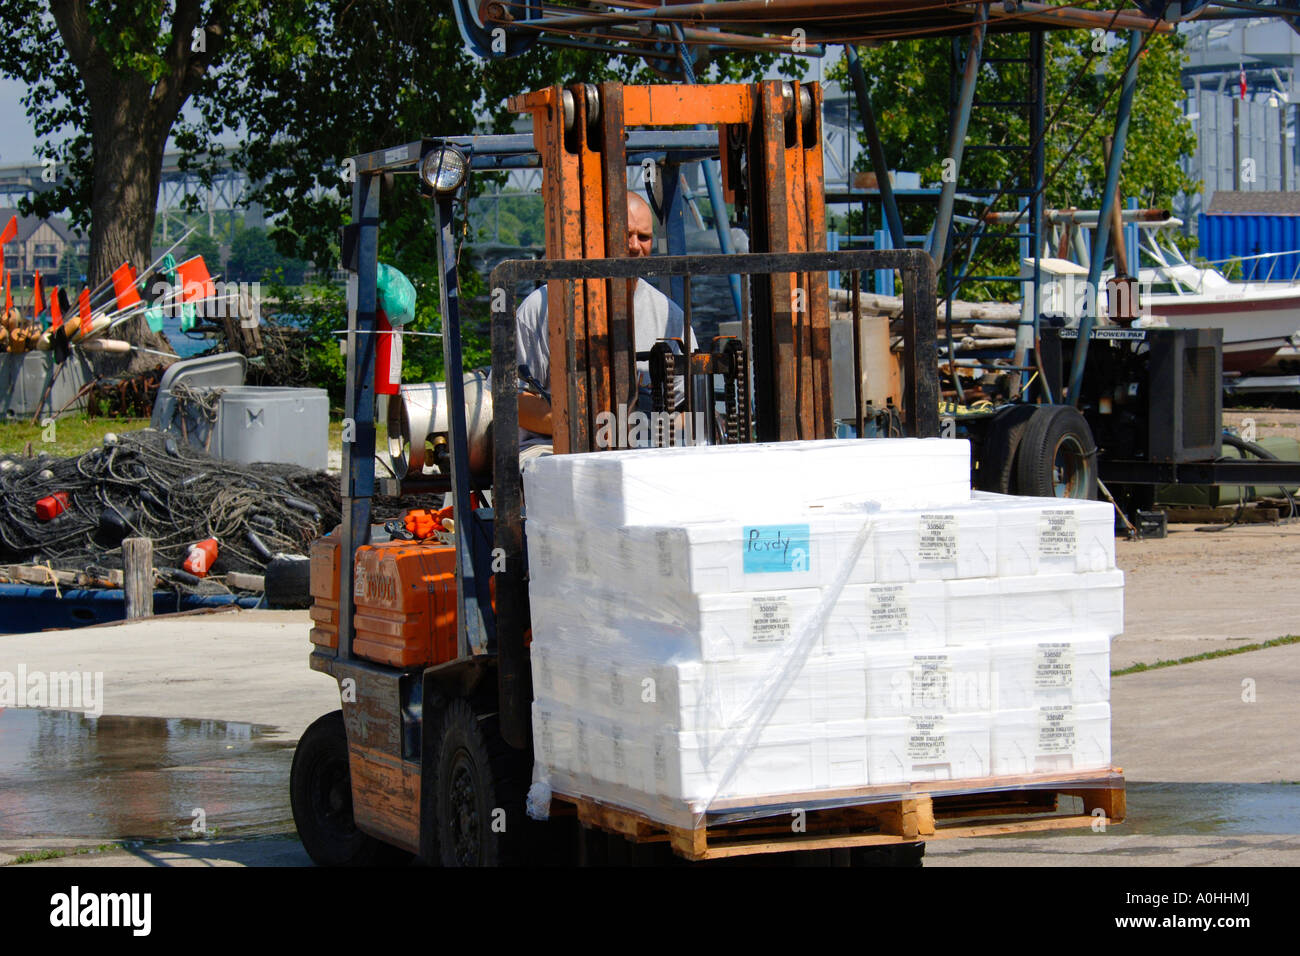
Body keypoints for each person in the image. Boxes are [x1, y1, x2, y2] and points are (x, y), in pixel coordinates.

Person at [514, 192, 696, 461]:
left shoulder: (670, 316)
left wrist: (640, 429)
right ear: (600, 234)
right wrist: (586, 426)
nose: (634, 246)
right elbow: (512, 402)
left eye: (644, 237)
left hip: (641, 449)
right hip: (552, 450)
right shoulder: (540, 309)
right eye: (626, 234)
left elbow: (688, 412)